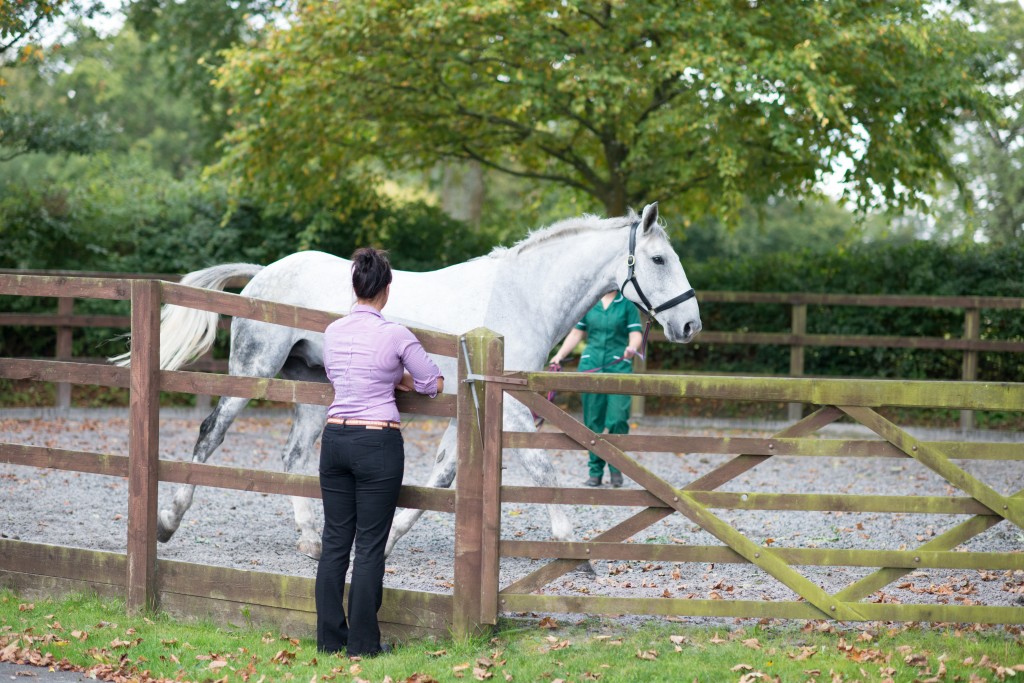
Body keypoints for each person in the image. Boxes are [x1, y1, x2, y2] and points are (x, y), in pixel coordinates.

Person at [316, 248, 444, 658]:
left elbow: (336, 375)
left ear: (355, 288)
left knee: (335, 541)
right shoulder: (396, 334)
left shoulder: (333, 331)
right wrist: (400, 377)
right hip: (377, 443)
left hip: (335, 437)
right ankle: (364, 644)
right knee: (369, 545)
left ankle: (329, 640)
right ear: (386, 290)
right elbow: (432, 383)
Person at [549, 290, 643, 487]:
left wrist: (632, 348)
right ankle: (595, 472)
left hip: (619, 367)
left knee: (617, 418)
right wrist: (559, 355)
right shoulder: (590, 302)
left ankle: (617, 467)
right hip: (591, 367)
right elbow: (576, 333)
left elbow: (636, 334)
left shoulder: (627, 305)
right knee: (593, 421)